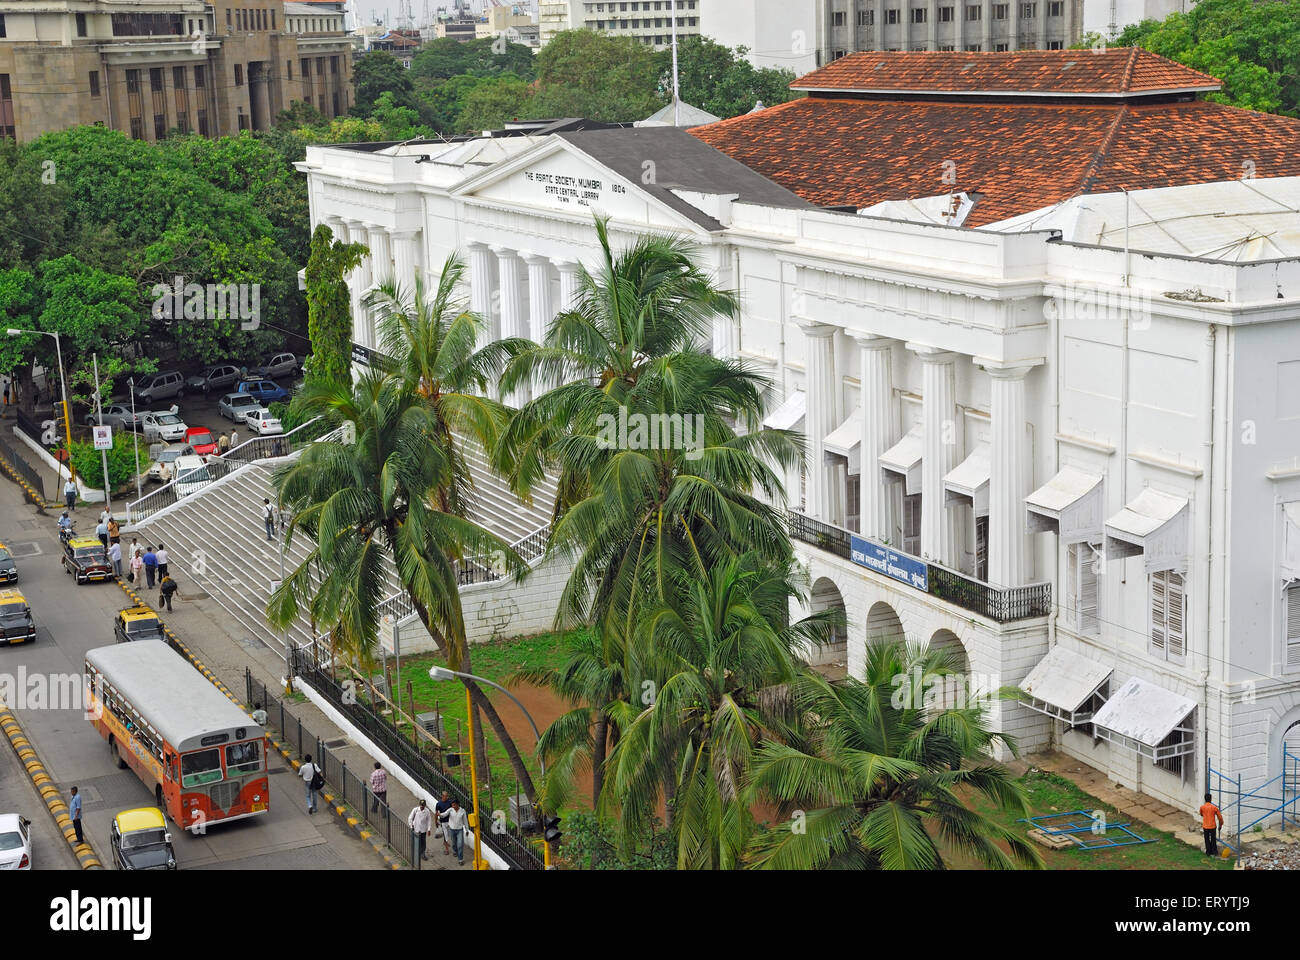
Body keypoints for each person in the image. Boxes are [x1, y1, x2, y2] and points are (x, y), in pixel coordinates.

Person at [444, 798, 469, 866]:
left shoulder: (462, 811)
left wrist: (467, 830)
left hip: (459, 830)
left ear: (458, 805)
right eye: (452, 805)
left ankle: (460, 859)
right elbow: (445, 814)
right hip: (452, 830)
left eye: (454, 805)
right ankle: (455, 851)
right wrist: (439, 814)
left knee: (460, 845)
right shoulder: (450, 810)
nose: (453, 806)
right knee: (454, 843)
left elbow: (465, 821)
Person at [434, 790, 454, 855]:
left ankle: (445, 842)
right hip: (443, 821)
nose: (447, 797)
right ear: (442, 796)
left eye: (447, 796)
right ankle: (446, 849)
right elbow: (436, 813)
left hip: (450, 821)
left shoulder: (450, 802)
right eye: (445, 796)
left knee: (448, 834)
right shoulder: (439, 804)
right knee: (445, 835)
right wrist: (436, 821)